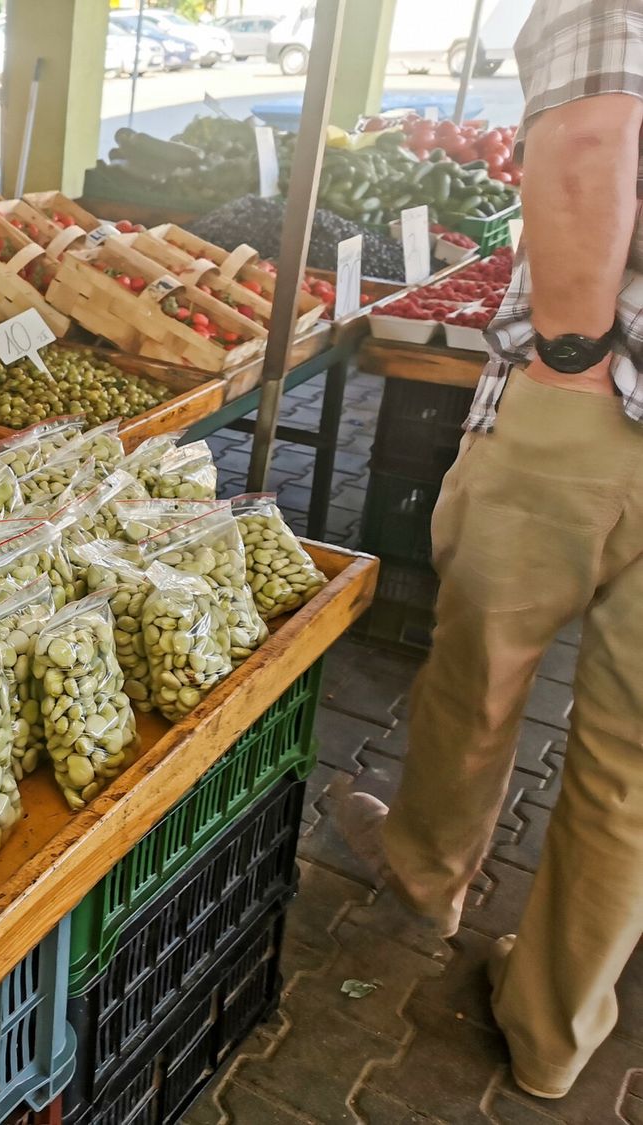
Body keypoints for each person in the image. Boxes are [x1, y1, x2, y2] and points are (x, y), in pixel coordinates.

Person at [336, 0, 643, 1100]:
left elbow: (594, 135)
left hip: (597, 414)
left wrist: (568, 356)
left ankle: (426, 881)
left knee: (484, 665)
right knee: (630, 767)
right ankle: (556, 1030)